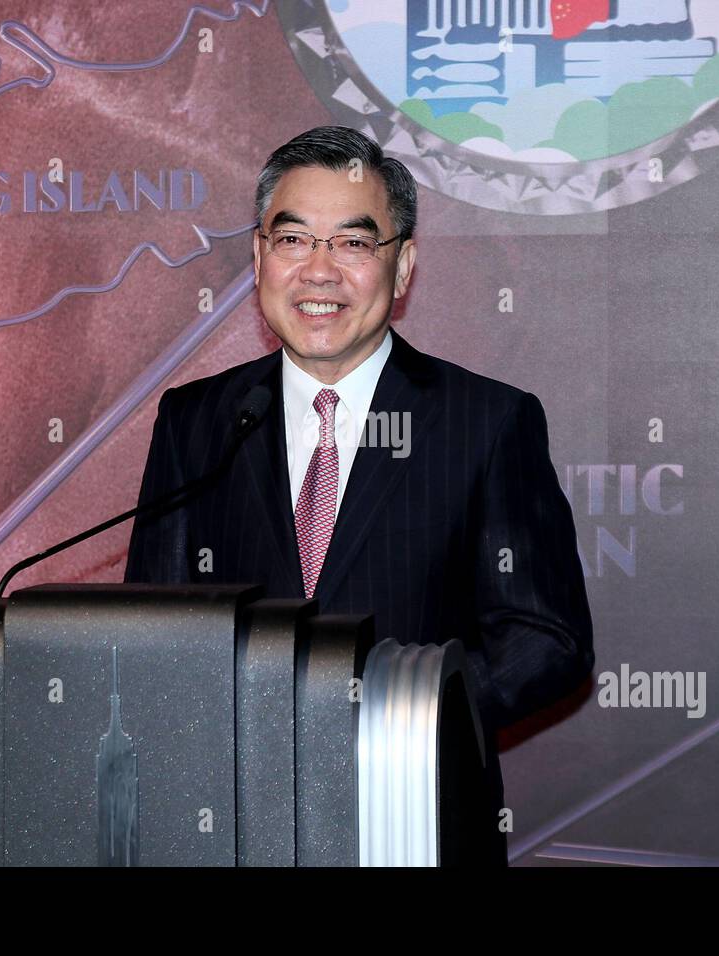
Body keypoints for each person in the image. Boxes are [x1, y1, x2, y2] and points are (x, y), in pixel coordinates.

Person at [124, 125, 594, 865]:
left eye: (352, 243)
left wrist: (397, 718)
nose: (319, 272)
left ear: (402, 267)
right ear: (257, 259)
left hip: (417, 819)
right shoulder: (196, 421)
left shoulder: (486, 421)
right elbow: (151, 629)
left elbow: (547, 640)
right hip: (232, 829)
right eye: (293, 241)